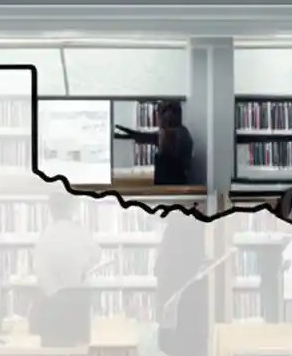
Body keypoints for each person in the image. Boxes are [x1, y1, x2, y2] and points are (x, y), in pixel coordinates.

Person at [156, 215, 210, 356]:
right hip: (190, 313)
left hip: (179, 313)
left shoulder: (172, 232)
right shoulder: (191, 232)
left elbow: (160, 270)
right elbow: (189, 272)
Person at [30, 195, 101, 337]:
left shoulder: (46, 236)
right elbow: (96, 256)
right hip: (78, 298)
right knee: (80, 346)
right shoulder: (80, 231)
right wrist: (82, 269)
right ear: (71, 209)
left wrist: (52, 290)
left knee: (55, 347)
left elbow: (39, 269)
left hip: (53, 301)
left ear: (51, 211)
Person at [116, 101, 193, 185]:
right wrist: (127, 134)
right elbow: (147, 137)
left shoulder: (174, 135)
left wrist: (128, 134)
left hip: (171, 186)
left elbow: (151, 138)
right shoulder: (181, 132)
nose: (160, 118)